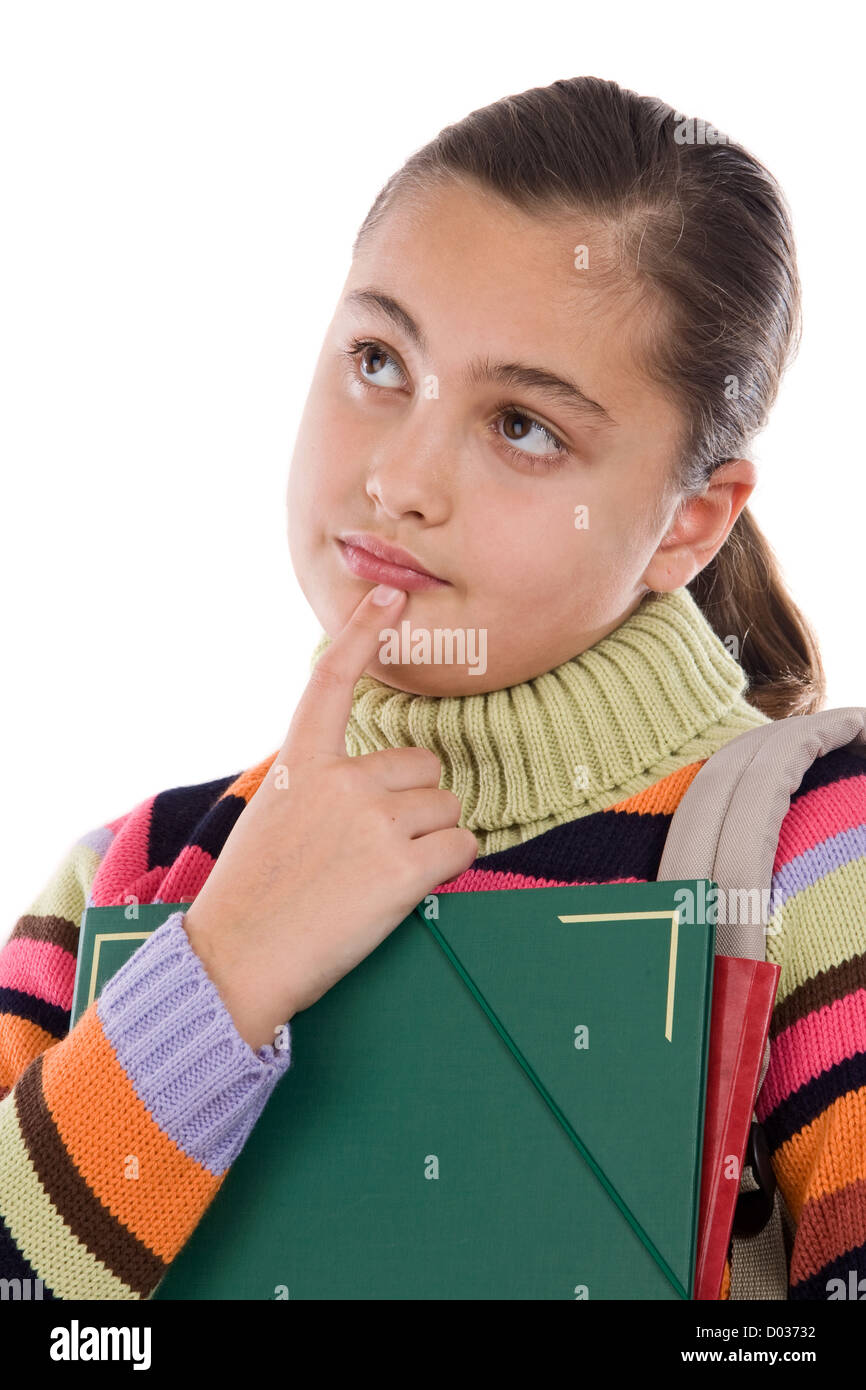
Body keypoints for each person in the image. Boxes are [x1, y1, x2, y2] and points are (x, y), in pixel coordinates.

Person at [2, 75, 863, 1302]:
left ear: (688, 523)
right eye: (377, 359)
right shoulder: (127, 883)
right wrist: (223, 970)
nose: (400, 479)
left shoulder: (815, 861)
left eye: (521, 426)